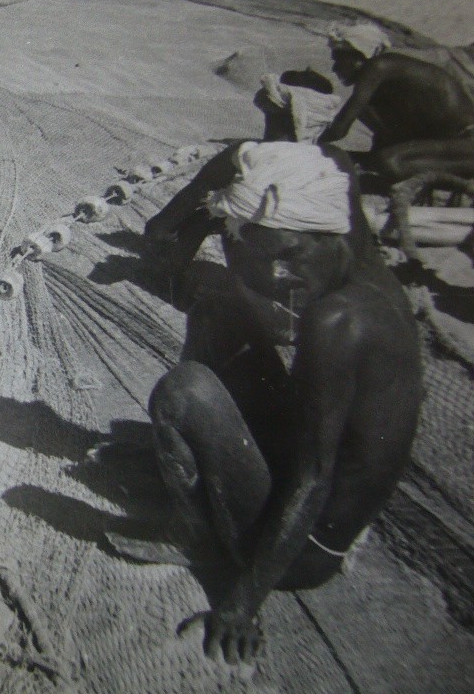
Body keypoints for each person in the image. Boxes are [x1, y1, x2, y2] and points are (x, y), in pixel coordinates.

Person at [140, 141, 422, 666]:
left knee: (185, 391)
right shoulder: (361, 271)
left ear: (324, 235)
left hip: (307, 552)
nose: (276, 276)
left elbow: (314, 475)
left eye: (290, 255)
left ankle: (198, 533)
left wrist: (241, 607)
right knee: (220, 303)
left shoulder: (339, 321)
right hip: (309, 488)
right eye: (265, 258)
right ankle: (209, 470)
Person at [145, 68, 340, 286]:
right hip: (316, 259)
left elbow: (197, 190)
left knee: (204, 215)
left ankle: (165, 276)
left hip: (265, 255)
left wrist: (159, 227)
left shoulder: (248, 152)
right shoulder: (321, 160)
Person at [318, 21, 474, 183]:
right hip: (455, 144)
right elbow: (385, 140)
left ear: (358, 56)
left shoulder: (379, 66)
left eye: (338, 60)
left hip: (467, 141)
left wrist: (307, 146)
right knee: (376, 159)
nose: (334, 68)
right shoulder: (383, 87)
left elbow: (340, 129)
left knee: (389, 162)